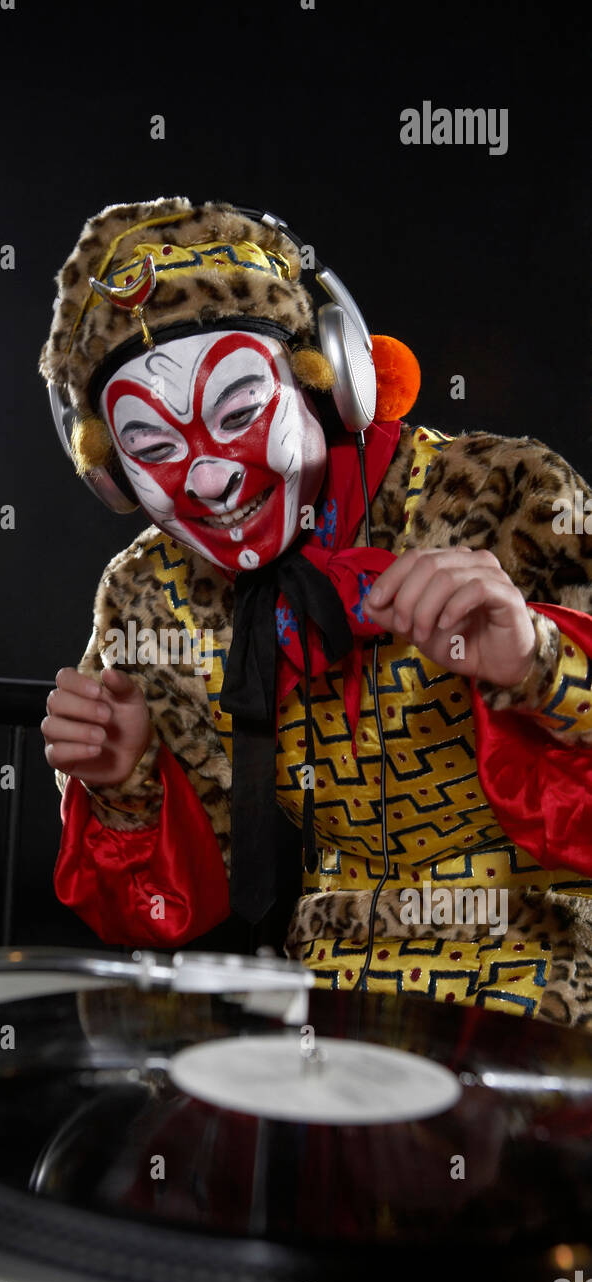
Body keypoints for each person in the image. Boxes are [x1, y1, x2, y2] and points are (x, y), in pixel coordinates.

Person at [38, 195, 592, 1029]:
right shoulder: (148, 597)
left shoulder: (506, 493)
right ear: (111, 476)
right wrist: (128, 788)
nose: (209, 479)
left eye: (236, 411)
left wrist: (540, 664)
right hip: (335, 988)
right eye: (153, 447)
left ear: (329, 379)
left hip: (551, 966)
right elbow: (160, 909)